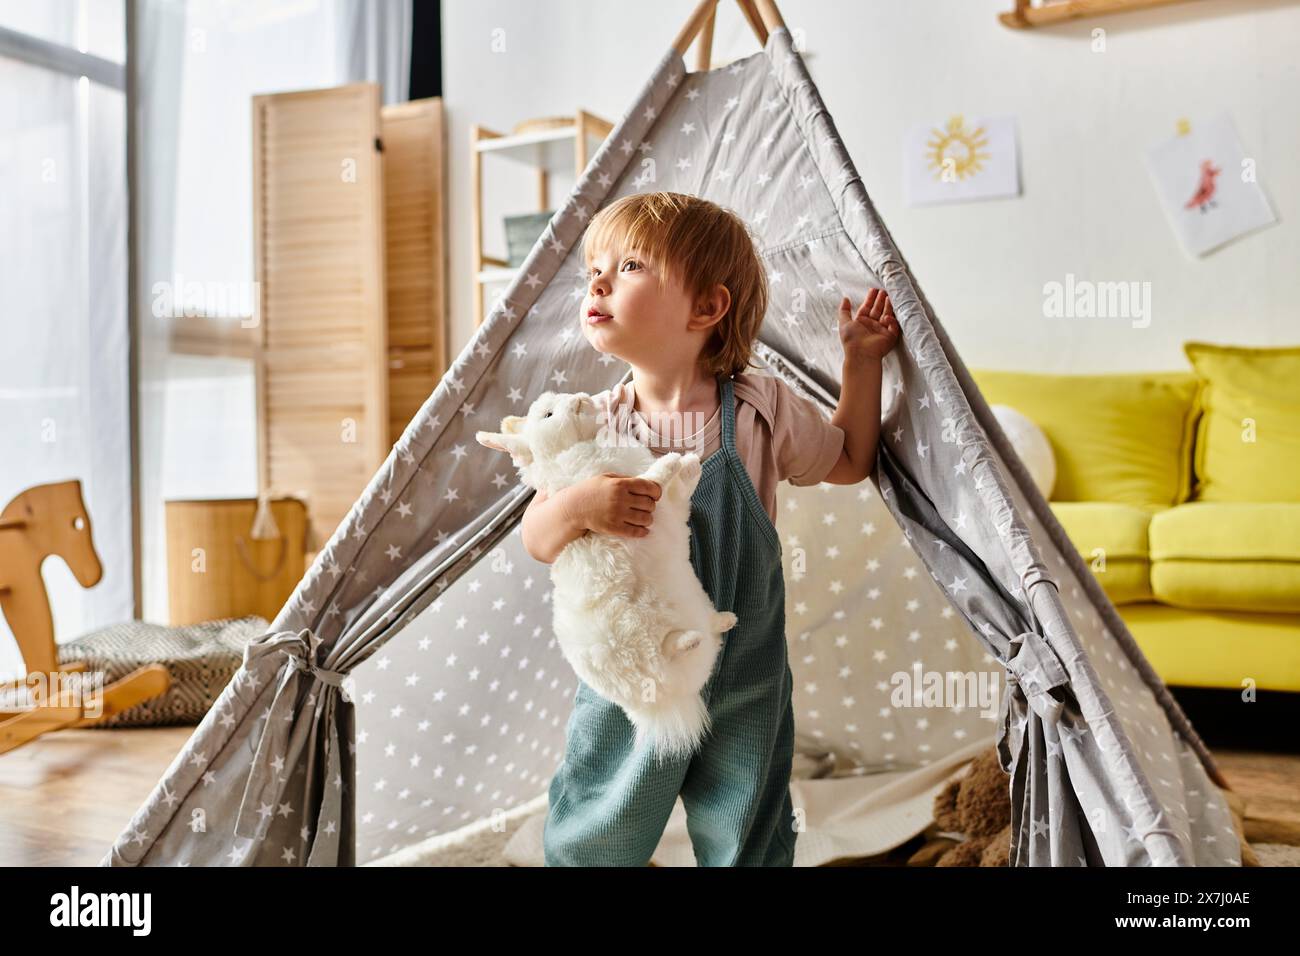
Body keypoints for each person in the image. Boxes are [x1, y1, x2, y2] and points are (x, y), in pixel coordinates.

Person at [521, 191, 900, 866]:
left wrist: (861, 363)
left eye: (631, 265)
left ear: (706, 308)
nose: (599, 282)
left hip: (744, 673)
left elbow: (847, 459)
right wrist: (579, 507)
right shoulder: (592, 422)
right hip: (632, 673)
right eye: (594, 270)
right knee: (601, 821)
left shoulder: (758, 409)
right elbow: (538, 537)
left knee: (747, 826)